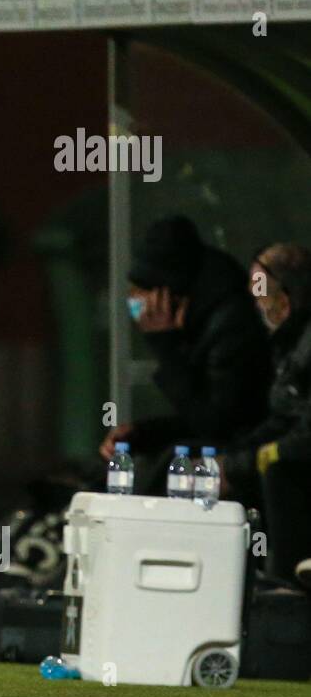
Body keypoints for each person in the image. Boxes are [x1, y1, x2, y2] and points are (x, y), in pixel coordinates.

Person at [99, 216, 270, 485]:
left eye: (145, 295)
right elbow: (203, 415)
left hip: (248, 461)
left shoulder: (230, 327)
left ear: (167, 296)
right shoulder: (202, 318)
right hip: (238, 445)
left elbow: (217, 425)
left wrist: (165, 347)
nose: (138, 306)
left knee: (161, 471)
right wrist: (142, 434)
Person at [220, 243, 311, 588]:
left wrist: (249, 461)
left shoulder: (303, 347)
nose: (255, 303)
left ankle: (283, 584)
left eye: (260, 293)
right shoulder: (290, 346)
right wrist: (233, 461)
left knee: (277, 468)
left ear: (285, 301)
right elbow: (284, 417)